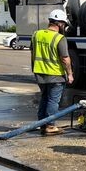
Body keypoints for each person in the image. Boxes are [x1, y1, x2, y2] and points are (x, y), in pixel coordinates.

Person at [31, 8, 74, 136]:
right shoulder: (59, 38)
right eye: (64, 24)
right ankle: (50, 125)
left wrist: (34, 68)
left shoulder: (36, 34)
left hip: (39, 73)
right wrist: (70, 74)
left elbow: (32, 53)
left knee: (44, 98)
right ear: (60, 24)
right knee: (53, 101)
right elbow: (65, 58)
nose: (64, 27)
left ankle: (42, 124)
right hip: (55, 74)